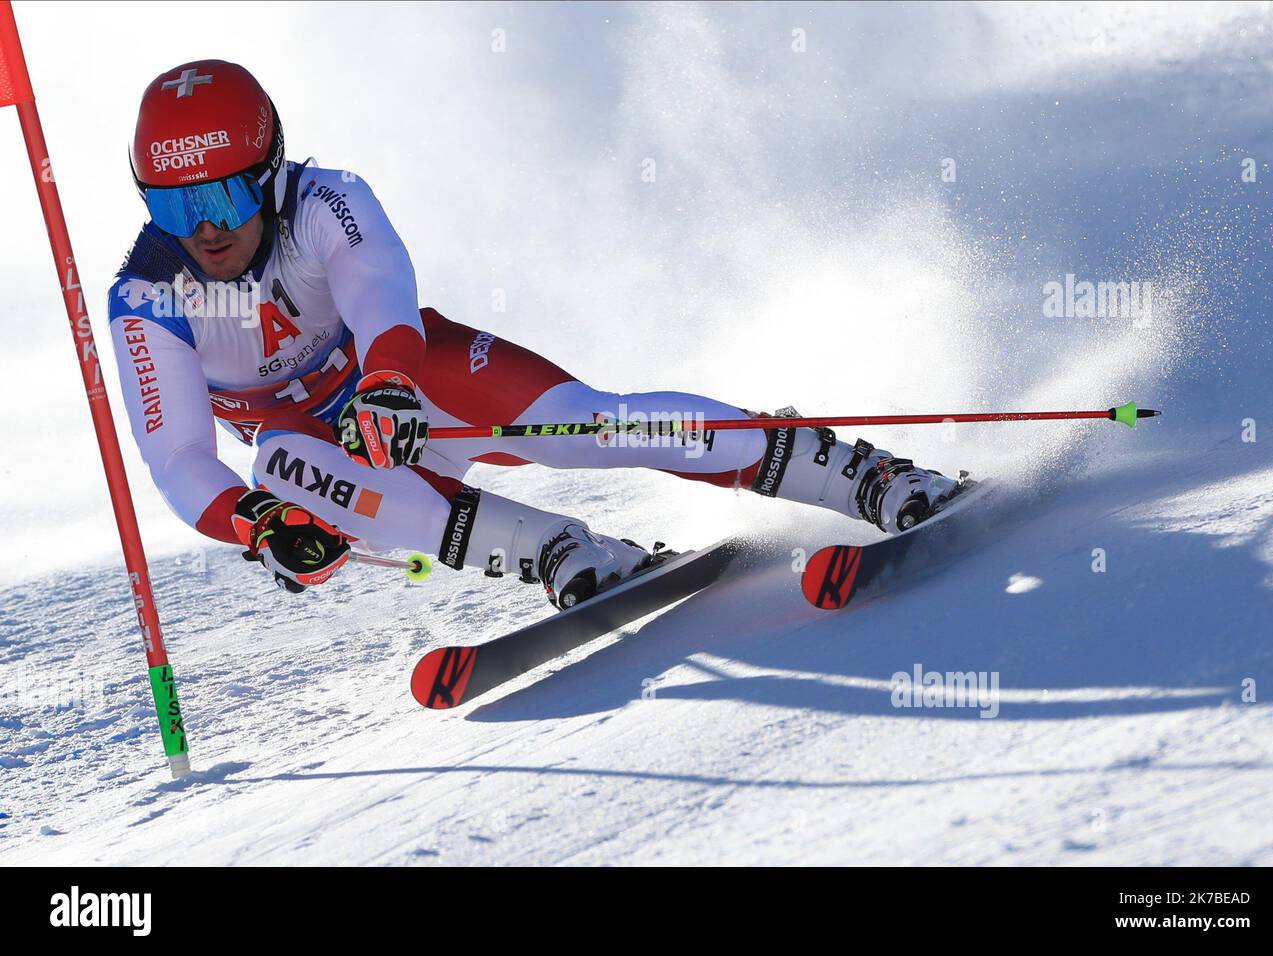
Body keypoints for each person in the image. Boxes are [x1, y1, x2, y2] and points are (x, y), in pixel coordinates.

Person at [109, 60, 961, 609]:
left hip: (406, 386)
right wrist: (254, 522)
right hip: (336, 465)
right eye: (173, 206)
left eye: (220, 199)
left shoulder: (327, 197)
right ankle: (556, 550)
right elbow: (177, 456)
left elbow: (381, 291)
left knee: (594, 428)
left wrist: (391, 380)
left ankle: (851, 472)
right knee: (275, 465)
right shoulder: (148, 292)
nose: (204, 230)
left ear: (270, 173)